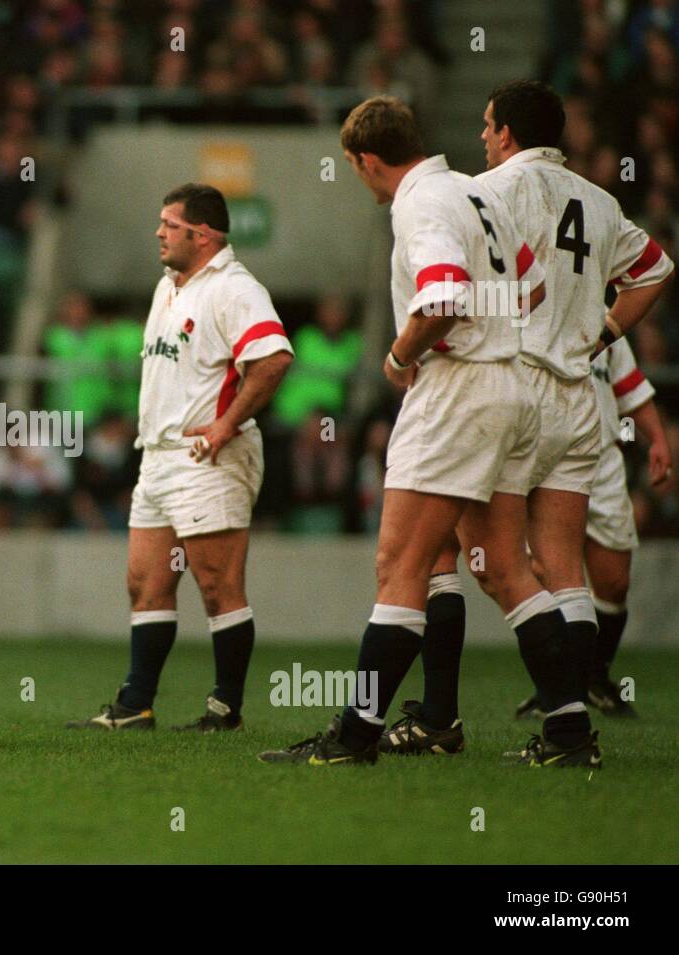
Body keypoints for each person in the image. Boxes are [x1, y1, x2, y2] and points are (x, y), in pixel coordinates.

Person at [257, 96, 600, 767]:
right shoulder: (475, 192)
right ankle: (568, 734)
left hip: (459, 392)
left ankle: (354, 736)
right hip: (514, 386)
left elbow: (440, 297)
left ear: (365, 160)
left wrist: (399, 354)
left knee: (399, 564)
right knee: (506, 567)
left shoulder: (419, 204)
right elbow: (529, 289)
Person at [380, 80, 674, 756]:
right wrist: (601, 335)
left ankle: (440, 713)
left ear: (507, 132)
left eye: (488, 125)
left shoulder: (487, 191)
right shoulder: (600, 201)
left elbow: (467, 286)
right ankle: (568, 727)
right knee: (563, 567)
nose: (482, 136)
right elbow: (656, 269)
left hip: (509, 386)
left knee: (461, 556)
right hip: (580, 397)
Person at [66, 183, 293, 732]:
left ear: (204, 234)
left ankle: (225, 710)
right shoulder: (167, 286)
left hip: (207, 457)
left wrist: (225, 424)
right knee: (145, 582)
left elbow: (274, 359)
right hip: (159, 458)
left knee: (217, 587)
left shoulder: (235, 288)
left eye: (169, 224)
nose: (159, 232)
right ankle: (135, 705)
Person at [516, 337, 672, 719]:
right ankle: (556, 688)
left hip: (602, 457)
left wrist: (658, 439)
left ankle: (593, 676)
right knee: (547, 576)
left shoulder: (606, 317)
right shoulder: (523, 305)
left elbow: (629, 384)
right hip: (544, 454)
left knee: (615, 582)